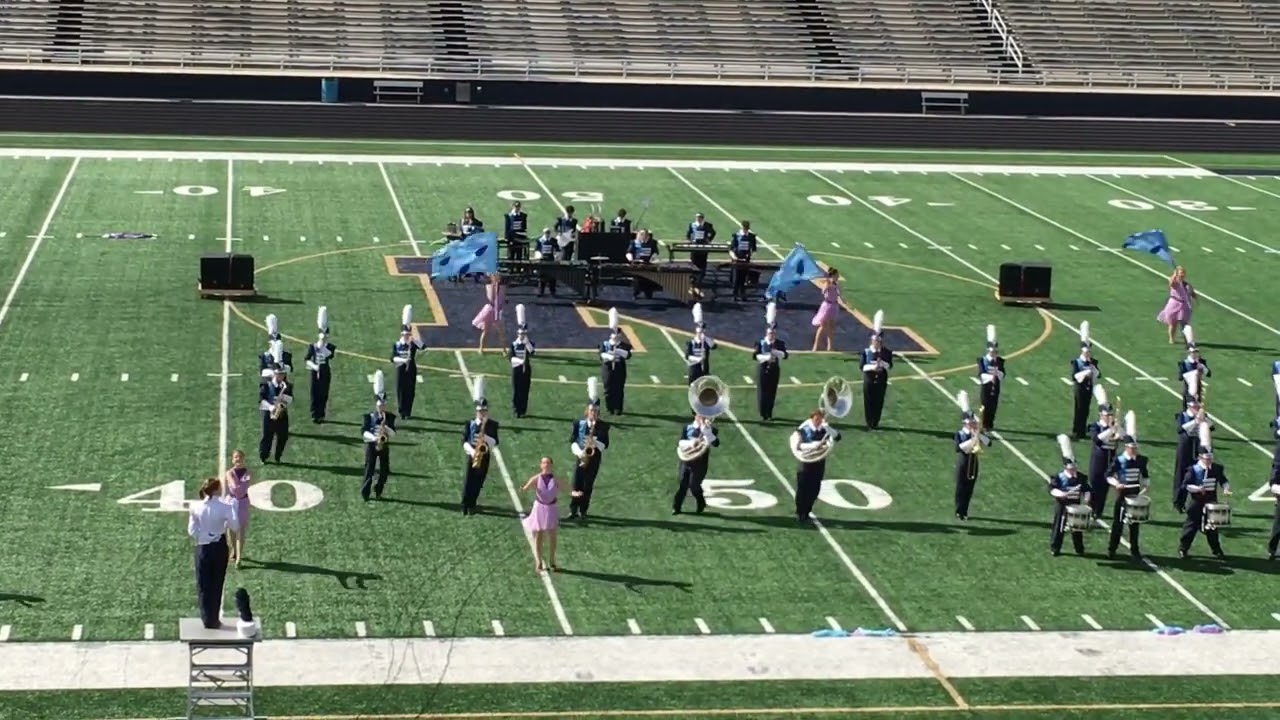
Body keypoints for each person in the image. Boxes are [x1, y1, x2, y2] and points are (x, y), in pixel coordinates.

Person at [188, 477, 239, 629]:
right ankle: (214, 619)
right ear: (217, 490)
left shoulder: (195, 506)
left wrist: (206, 535)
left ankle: (206, 619)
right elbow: (235, 526)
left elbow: (192, 531)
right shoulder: (224, 506)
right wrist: (233, 508)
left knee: (203, 584)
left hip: (202, 547)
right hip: (219, 547)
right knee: (216, 583)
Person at [1178, 426, 1230, 559]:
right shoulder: (1193, 470)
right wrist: (1197, 489)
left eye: (1210, 458)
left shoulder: (1217, 468)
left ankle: (1216, 550)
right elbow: (1185, 485)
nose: (1209, 461)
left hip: (1211, 501)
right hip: (1196, 501)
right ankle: (1183, 548)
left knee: (1212, 527)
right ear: (1200, 457)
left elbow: (1223, 480)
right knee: (1191, 526)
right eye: (1206, 458)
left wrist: (1226, 488)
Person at [569, 378, 610, 519]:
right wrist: (580, 452)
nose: (594, 413)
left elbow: (605, 445)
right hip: (580, 457)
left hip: (594, 459)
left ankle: (583, 510)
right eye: (592, 410)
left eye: (596, 411)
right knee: (576, 483)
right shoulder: (578, 423)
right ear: (587, 411)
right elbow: (573, 441)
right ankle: (573, 509)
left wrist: (594, 443)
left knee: (588, 485)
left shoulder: (603, 426)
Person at [1107, 425, 1149, 560]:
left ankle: (1134, 550)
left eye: (1135, 448)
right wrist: (1116, 483)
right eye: (1131, 448)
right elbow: (1107, 475)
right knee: (1118, 523)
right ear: (1126, 447)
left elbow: (1145, 475)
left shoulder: (1141, 460)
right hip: (1122, 495)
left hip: (1134, 493)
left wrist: (1146, 484)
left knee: (1134, 523)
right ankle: (1112, 549)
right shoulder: (1119, 460)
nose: (1134, 450)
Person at [791, 409, 840, 523]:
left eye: (820, 419)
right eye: (816, 419)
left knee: (814, 490)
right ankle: (800, 512)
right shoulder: (803, 430)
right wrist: (812, 446)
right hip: (805, 463)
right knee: (803, 489)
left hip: (819, 464)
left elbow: (837, 437)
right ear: (812, 419)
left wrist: (828, 428)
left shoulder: (825, 431)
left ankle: (807, 511)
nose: (818, 421)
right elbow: (798, 445)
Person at [461, 378, 499, 515]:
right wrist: (472, 452)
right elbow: (464, 441)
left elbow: (495, 442)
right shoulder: (470, 423)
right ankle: (465, 503)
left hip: (485, 454)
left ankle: (473, 503)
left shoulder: (493, 424)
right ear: (476, 412)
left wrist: (485, 437)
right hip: (472, 453)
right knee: (468, 480)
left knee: (479, 480)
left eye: (484, 411)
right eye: (480, 411)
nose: (482, 413)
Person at [1048, 436, 1089, 557]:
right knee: (1059, 526)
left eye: (1074, 468)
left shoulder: (1081, 477)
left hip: (1075, 504)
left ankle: (1079, 548)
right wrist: (1061, 494)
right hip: (1062, 505)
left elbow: (1087, 489)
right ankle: (1055, 547)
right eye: (1071, 469)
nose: (1073, 471)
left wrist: (1087, 497)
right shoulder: (1059, 477)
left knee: (1077, 528)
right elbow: (1052, 489)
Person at [953, 391, 991, 520]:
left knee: (970, 487)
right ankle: (959, 510)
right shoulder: (960, 434)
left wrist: (978, 435)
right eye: (970, 423)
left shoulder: (976, 433)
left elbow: (989, 442)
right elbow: (959, 448)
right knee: (961, 486)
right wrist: (972, 440)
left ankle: (965, 510)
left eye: (973, 423)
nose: (972, 425)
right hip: (964, 461)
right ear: (965, 424)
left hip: (974, 461)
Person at [521, 457, 562, 573]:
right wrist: (524, 489)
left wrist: (574, 492)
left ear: (552, 465)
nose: (546, 465)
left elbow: (565, 487)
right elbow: (527, 486)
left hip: (551, 508)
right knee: (539, 534)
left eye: (548, 463)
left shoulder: (555, 479)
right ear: (541, 465)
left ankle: (552, 561)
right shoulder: (537, 478)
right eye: (544, 463)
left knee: (552, 535)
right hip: (540, 508)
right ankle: (538, 562)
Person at [361, 371, 396, 501]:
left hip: (384, 446)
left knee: (384, 471)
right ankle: (365, 493)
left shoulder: (390, 417)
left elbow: (393, 433)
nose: (382, 408)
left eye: (383, 405)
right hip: (371, 445)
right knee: (369, 470)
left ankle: (378, 490)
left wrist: (385, 427)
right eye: (380, 406)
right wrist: (374, 438)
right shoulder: (369, 416)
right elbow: (363, 432)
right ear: (376, 406)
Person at [674, 413, 719, 514]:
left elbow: (716, 443)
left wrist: (707, 432)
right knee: (682, 484)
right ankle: (676, 507)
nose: (702, 418)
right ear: (695, 416)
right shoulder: (687, 427)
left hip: (700, 463)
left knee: (694, 485)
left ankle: (701, 502)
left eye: (704, 416)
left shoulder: (711, 430)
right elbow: (679, 443)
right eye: (699, 415)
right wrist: (691, 443)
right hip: (686, 460)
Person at [258, 343, 292, 464]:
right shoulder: (266, 385)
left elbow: (290, 399)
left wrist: (282, 400)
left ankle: (278, 456)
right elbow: (261, 400)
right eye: (279, 374)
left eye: (283, 374)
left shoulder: (287, 385)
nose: (281, 376)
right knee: (267, 436)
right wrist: (271, 406)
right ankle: (264, 456)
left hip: (282, 413)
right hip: (268, 413)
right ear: (274, 373)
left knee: (283, 436)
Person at [859, 311, 893, 430]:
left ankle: (875, 422)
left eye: (878, 341)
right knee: (868, 399)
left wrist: (882, 364)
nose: (877, 343)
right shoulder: (867, 352)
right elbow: (862, 366)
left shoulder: (887, 352)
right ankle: (869, 422)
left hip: (881, 379)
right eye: (875, 341)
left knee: (879, 400)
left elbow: (890, 365)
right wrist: (873, 367)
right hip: (869, 378)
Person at [754, 302, 787, 421]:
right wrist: (766, 357)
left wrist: (776, 352)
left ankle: (770, 412)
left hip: (774, 369)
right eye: (770, 333)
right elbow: (756, 356)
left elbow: (785, 355)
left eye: (773, 333)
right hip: (763, 369)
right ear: (766, 333)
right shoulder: (760, 343)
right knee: (763, 392)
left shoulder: (779, 343)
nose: (772, 335)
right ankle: (763, 413)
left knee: (772, 391)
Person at [391, 305, 422, 419]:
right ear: (401, 334)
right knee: (400, 389)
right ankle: (401, 410)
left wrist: (415, 340)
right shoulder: (397, 344)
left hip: (411, 368)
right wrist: (404, 360)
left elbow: (423, 347)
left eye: (408, 334)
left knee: (410, 389)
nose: (406, 336)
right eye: (405, 334)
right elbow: (392, 358)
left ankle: (408, 411)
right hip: (400, 367)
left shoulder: (412, 343)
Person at [598, 308, 632, 415]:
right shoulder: (604, 344)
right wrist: (609, 356)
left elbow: (628, 355)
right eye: (614, 335)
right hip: (607, 367)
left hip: (619, 368)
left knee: (619, 388)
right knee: (608, 387)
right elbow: (601, 354)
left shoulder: (624, 345)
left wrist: (618, 351)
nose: (616, 336)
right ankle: (609, 407)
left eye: (618, 335)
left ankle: (618, 408)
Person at [1069, 323, 1100, 440]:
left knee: (1086, 409)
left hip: (1089, 386)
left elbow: (1099, 374)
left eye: (1089, 352)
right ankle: (1076, 430)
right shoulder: (1076, 362)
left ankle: (1082, 430)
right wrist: (1084, 373)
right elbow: (1074, 376)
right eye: (1086, 352)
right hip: (1080, 387)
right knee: (1079, 408)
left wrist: (1092, 368)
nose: (1088, 354)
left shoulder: (1093, 362)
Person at [304, 306, 335, 424]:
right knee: (314, 393)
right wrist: (314, 366)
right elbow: (306, 359)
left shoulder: (330, 347)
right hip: (315, 371)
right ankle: (314, 414)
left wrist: (323, 346)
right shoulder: (312, 346)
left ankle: (321, 413)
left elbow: (330, 355)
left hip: (325, 371)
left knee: (324, 393)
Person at [221, 451, 252, 567]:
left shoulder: (248, 472)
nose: (238, 459)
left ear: (243, 459)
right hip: (231, 502)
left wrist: (237, 486)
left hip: (242, 502)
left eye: (240, 457)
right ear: (233, 460)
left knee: (241, 530)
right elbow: (235, 488)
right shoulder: (229, 472)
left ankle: (239, 557)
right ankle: (234, 549)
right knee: (230, 529)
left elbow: (240, 490)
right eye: (236, 457)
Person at [1157, 265, 1196, 344]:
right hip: (1174, 304)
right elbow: (1171, 283)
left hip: (1183, 305)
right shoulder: (1175, 282)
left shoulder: (1186, 284)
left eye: (1183, 273)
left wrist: (1194, 299)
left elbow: (1192, 293)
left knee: (1184, 324)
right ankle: (1171, 338)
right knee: (1173, 323)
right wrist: (1174, 274)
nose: (1182, 275)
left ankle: (1187, 340)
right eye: (1181, 273)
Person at [507, 304, 535, 418]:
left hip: (526, 369)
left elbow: (532, 352)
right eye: (520, 334)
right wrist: (520, 361)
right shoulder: (514, 344)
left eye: (524, 333)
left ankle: (523, 409)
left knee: (525, 390)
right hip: (517, 369)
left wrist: (527, 342)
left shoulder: (528, 343)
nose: (522, 335)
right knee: (516, 390)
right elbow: (510, 358)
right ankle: (516, 409)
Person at [977, 324, 1005, 430]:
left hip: (996, 386)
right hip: (986, 386)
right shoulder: (982, 360)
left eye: (994, 350)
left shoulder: (999, 360)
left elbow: (1003, 374)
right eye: (991, 351)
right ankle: (982, 423)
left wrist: (997, 373)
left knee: (993, 405)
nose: (993, 352)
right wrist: (990, 377)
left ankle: (989, 424)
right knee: (984, 404)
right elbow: (981, 374)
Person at [472, 272, 506, 353]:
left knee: (501, 332)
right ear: (491, 278)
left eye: (498, 276)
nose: (498, 278)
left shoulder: (502, 287)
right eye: (495, 276)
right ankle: (481, 348)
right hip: (490, 310)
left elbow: (502, 298)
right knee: (486, 330)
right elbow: (492, 298)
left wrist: (498, 287)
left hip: (498, 311)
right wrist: (494, 286)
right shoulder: (489, 286)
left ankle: (504, 350)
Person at [685, 303, 715, 386]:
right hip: (694, 369)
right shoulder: (691, 343)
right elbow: (687, 356)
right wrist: (698, 359)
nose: (700, 334)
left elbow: (714, 346)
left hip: (704, 370)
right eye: (698, 332)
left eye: (701, 332)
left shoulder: (705, 342)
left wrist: (705, 338)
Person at [811, 268, 841, 352]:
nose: (838, 276)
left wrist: (846, 303)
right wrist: (827, 285)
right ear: (833, 275)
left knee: (831, 327)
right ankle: (815, 346)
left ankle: (830, 346)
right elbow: (823, 291)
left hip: (834, 306)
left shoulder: (837, 284)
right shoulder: (827, 283)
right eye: (837, 275)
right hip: (827, 306)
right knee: (823, 326)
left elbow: (840, 294)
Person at [729, 220, 758, 301]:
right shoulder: (736, 236)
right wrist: (734, 257)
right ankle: (735, 294)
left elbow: (754, 249)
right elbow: (731, 248)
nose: (745, 229)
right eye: (744, 227)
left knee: (744, 277)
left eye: (746, 228)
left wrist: (750, 255)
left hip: (746, 260)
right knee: (737, 278)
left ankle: (742, 293)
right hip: (737, 259)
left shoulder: (751, 237)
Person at [685, 211, 716, 277]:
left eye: (699, 217)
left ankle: (702, 275)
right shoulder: (692, 225)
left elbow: (713, 233)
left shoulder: (707, 225)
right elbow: (688, 234)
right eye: (697, 217)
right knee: (693, 260)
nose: (698, 219)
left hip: (704, 246)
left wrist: (709, 240)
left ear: (702, 218)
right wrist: (690, 241)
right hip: (695, 246)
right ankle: (693, 275)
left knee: (703, 261)